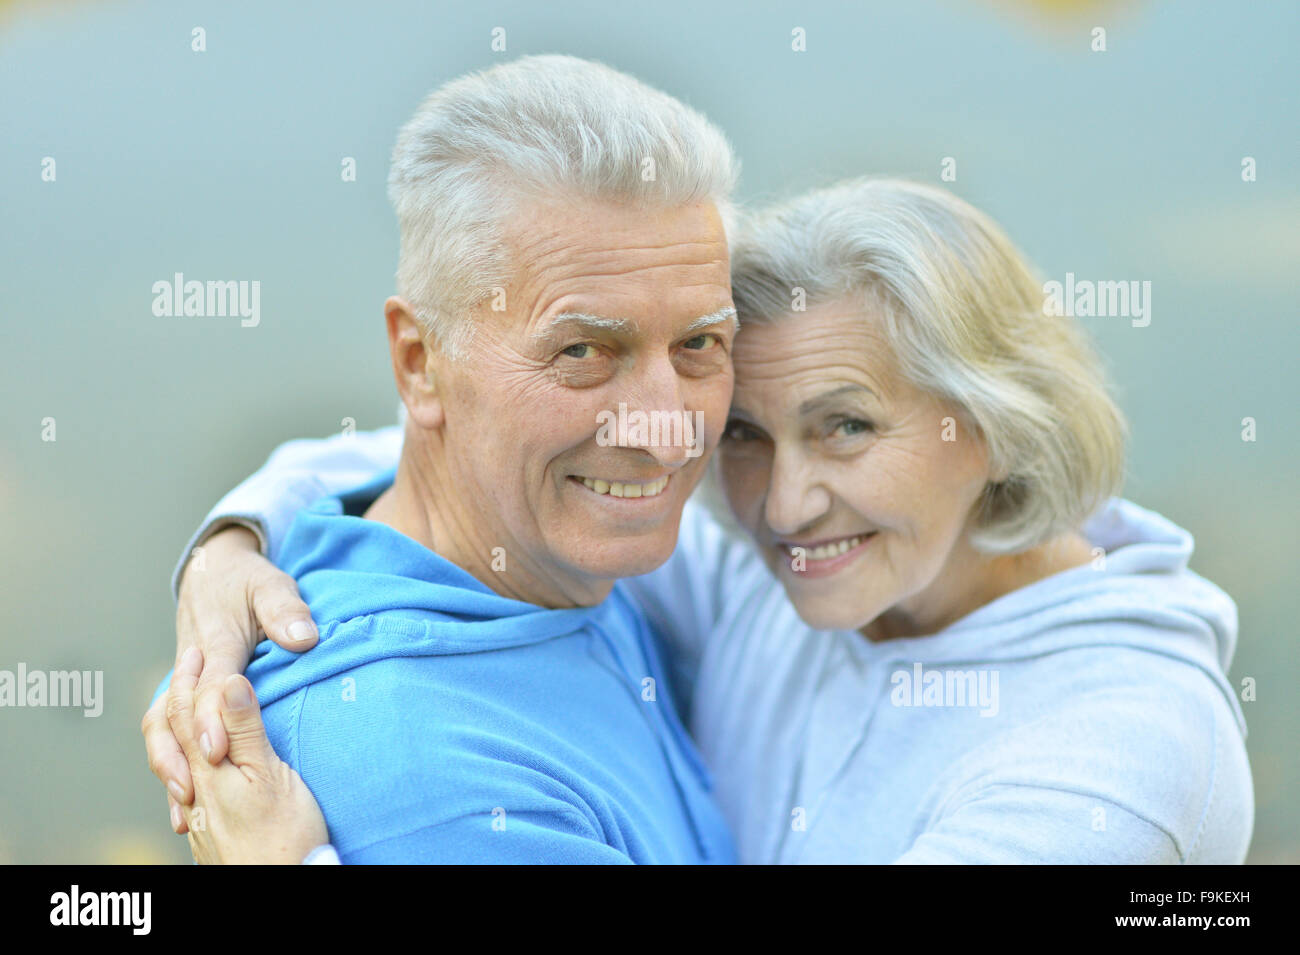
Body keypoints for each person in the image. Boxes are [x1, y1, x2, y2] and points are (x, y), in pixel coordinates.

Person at [149, 173, 1254, 863]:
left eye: (848, 427)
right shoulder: (781, 579)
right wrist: (233, 548)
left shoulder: (1118, 755)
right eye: (743, 434)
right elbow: (486, 454)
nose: (780, 505)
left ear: (998, 425)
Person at [146, 53, 745, 863]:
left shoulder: (547, 539)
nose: (667, 429)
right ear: (419, 362)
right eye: (582, 351)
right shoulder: (435, 787)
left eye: (700, 341)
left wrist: (229, 536)